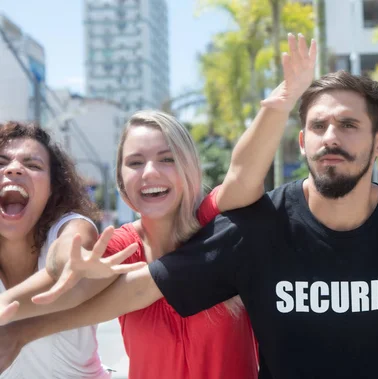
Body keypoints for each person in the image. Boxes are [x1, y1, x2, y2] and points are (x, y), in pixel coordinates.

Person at [4, 71, 378, 379]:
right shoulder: (259, 229)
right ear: (302, 139)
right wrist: (24, 329)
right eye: (318, 126)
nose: (330, 139)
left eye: (347, 125)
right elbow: (138, 288)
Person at [0, 33, 316, 379]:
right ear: (121, 185)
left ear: (189, 170)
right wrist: (61, 269)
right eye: (135, 162)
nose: (150, 172)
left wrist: (280, 105)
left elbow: (243, 173)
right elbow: (73, 275)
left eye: (166, 159)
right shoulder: (121, 248)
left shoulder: (218, 222)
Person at [0, 121, 112, 378]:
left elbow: (70, 248)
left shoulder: (68, 227)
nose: (14, 169)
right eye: (1, 162)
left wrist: (68, 262)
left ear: (52, 190)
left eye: (33, 165)